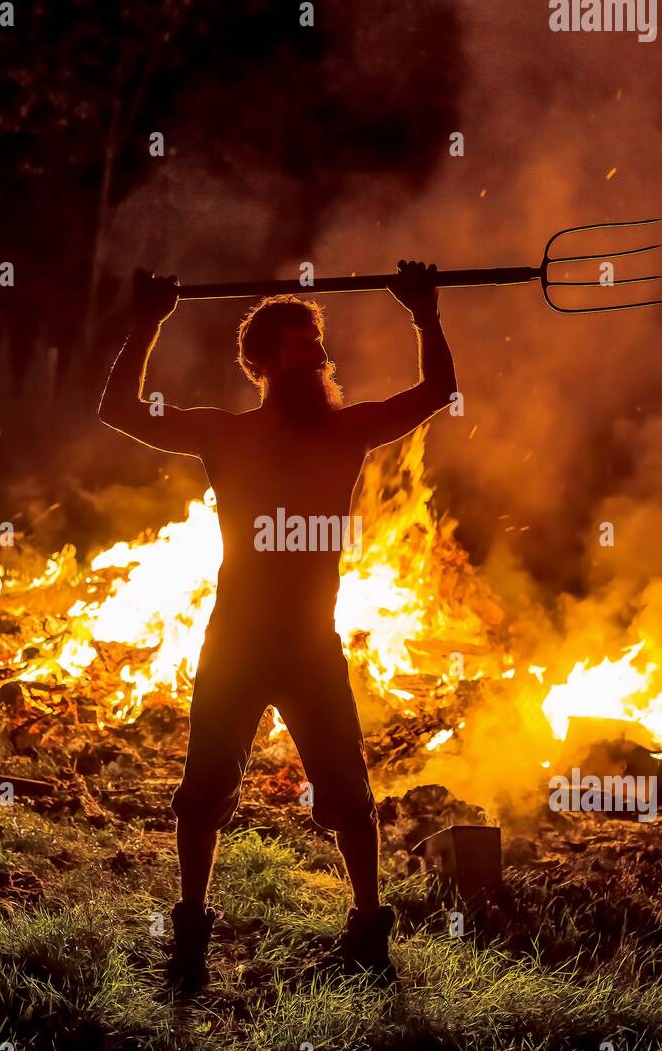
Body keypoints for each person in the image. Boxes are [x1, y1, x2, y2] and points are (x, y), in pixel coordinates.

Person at [99, 260, 456, 987]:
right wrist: (144, 327)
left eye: (317, 344)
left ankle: (367, 929)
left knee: (349, 796)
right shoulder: (225, 436)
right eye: (300, 343)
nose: (318, 356)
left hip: (309, 646)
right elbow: (118, 413)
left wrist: (425, 312)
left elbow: (438, 392)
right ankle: (191, 932)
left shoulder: (346, 433)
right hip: (235, 642)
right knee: (202, 795)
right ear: (260, 362)